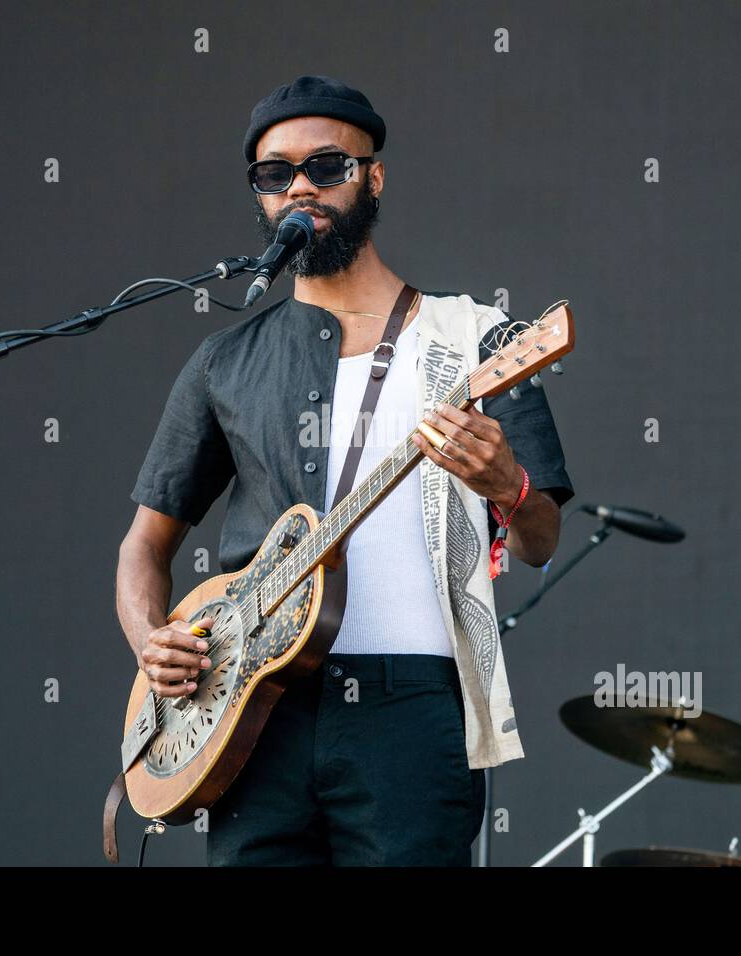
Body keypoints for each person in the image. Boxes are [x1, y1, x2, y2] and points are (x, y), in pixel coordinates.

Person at [116, 74, 574, 865]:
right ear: (260, 196)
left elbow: (541, 539)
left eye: (327, 165)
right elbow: (142, 545)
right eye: (275, 173)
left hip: (410, 711)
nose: (300, 185)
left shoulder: (479, 337)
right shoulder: (226, 359)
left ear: (374, 176)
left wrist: (508, 486)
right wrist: (150, 641)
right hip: (253, 712)